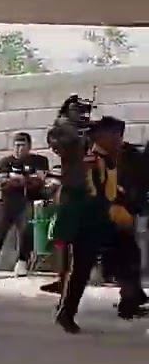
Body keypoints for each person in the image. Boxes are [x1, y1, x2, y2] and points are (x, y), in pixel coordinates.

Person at [53, 116, 147, 333]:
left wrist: (121, 202)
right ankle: (66, 312)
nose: (119, 141)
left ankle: (130, 301)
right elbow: (87, 195)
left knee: (129, 252)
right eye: (114, 136)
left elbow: (111, 189)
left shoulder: (110, 160)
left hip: (104, 222)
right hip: (85, 224)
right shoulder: (89, 161)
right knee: (81, 270)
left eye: (120, 136)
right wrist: (112, 207)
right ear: (101, 137)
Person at [0, 132, 51, 278]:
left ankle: (22, 261)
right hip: (7, 202)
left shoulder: (39, 161)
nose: (19, 149)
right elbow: (1, 182)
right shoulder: (5, 162)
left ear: (29, 146)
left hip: (27, 201)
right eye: (16, 145)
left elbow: (40, 180)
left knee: (26, 230)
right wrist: (27, 179)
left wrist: (18, 179)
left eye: (22, 145)